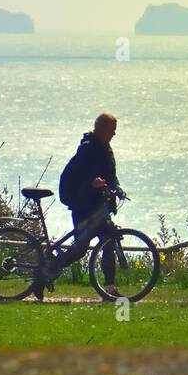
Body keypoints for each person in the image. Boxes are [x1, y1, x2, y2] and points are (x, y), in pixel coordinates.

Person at [57, 112, 122, 297]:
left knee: (109, 239)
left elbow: (110, 175)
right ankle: (47, 270)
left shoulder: (105, 149)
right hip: (82, 203)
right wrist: (91, 182)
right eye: (111, 130)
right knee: (80, 249)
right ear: (100, 129)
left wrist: (117, 188)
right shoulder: (87, 148)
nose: (114, 134)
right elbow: (82, 173)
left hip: (97, 205)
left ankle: (110, 288)